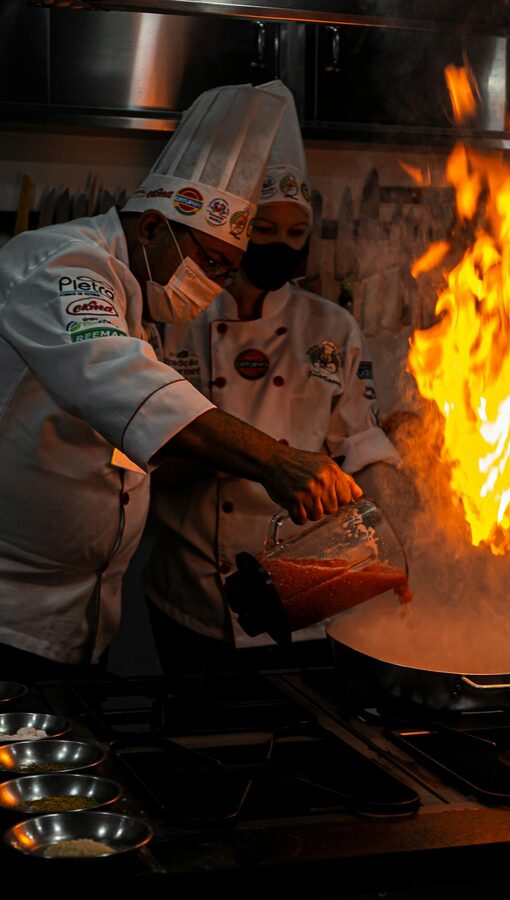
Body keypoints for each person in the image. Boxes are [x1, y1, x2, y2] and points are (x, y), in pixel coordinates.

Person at [0, 83, 360, 680]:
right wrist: (274, 460)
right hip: (11, 613)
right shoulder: (60, 263)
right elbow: (119, 380)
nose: (216, 284)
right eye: (211, 263)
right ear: (151, 230)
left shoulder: (141, 302)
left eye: (226, 269)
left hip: (86, 616)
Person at [144, 81, 402, 673]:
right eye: (264, 231)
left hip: (308, 582)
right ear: (236, 231)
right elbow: (140, 463)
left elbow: (359, 449)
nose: (281, 246)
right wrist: (242, 455)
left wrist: (398, 527)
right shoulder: (175, 317)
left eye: (295, 233)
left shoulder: (331, 327)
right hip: (192, 593)